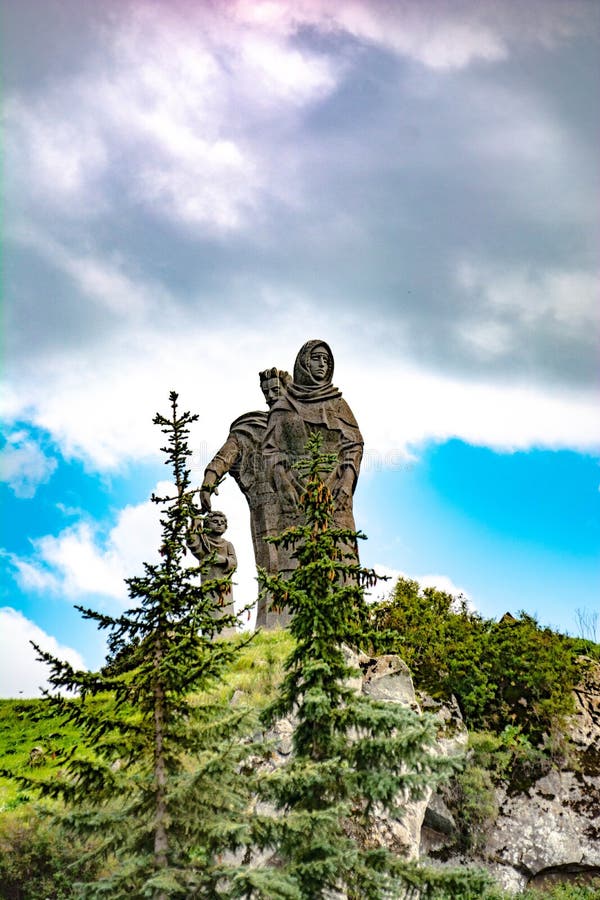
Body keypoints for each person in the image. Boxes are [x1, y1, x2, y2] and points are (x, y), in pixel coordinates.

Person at [199, 368, 292, 627]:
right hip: (264, 504)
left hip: (296, 506)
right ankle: (271, 624)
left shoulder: (297, 427)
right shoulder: (250, 428)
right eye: (266, 392)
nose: (270, 397)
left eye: (276, 390)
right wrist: (209, 479)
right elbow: (226, 454)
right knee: (269, 563)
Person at [263, 339, 363, 574]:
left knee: (340, 565)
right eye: (316, 358)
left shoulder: (338, 405)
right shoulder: (284, 406)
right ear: (304, 362)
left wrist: (347, 482)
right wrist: (282, 480)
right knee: (295, 565)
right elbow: (270, 449)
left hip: (335, 493)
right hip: (296, 492)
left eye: (326, 360)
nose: (322, 365)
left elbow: (355, 444)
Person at [187, 510, 237, 637]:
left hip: (225, 586)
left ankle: (228, 635)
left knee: (226, 609)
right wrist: (194, 525)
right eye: (215, 522)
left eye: (222, 522)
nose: (219, 524)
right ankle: (210, 636)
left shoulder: (228, 545)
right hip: (208, 582)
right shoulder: (204, 542)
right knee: (210, 610)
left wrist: (224, 560)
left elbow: (234, 562)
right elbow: (194, 546)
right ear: (207, 525)